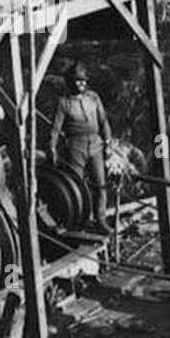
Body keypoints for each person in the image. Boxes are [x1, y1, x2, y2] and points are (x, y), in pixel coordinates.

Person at [48, 61, 113, 231]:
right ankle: (78, 221)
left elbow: (103, 121)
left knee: (100, 184)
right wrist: (52, 149)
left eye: (83, 80)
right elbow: (55, 129)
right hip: (76, 146)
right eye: (77, 80)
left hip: (96, 145)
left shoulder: (93, 97)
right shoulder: (64, 103)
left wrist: (108, 142)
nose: (81, 84)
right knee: (75, 187)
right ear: (70, 82)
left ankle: (100, 220)